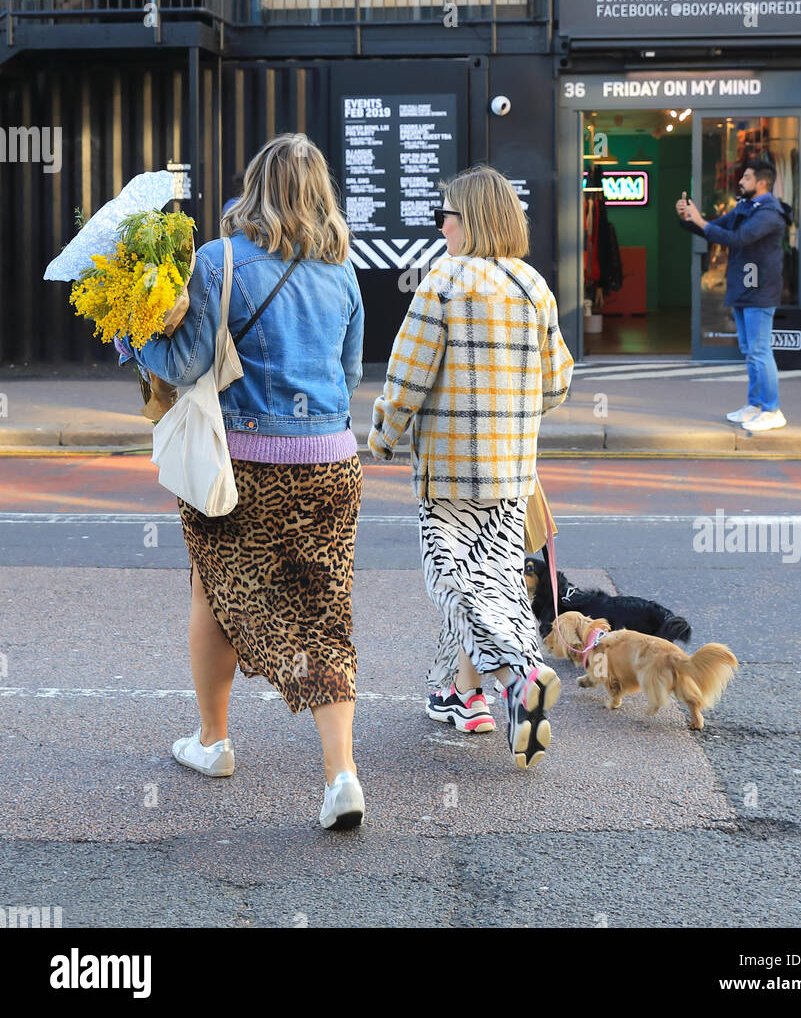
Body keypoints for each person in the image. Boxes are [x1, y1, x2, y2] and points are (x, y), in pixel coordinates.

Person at [117, 133, 366, 829]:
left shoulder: (217, 260)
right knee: (326, 612)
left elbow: (188, 362)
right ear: (321, 194)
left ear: (255, 188)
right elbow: (347, 378)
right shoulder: (342, 270)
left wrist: (133, 332)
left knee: (215, 589)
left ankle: (213, 740)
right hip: (332, 463)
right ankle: (340, 776)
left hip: (245, 465)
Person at [368, 166, 574, 768]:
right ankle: (467, 697)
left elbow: (407, 375)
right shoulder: (533, 284)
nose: (441, 227)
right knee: (497, 582)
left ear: (471, 221)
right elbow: (557, 381)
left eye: (445, 216)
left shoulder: (445, 281)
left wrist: (384, 434)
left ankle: (515, 677)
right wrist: (509, 405)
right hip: (512, 471)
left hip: (451, 470)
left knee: (452, 580)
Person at [677, 159, 792, 432]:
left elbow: (739, 238)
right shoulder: (746, 207)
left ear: (761, 182)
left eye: (747, 177)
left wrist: (702, 221)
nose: (741, 181)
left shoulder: (769, 213)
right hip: (743, 287)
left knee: (760, 351)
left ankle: (772, 409)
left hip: (760, 290)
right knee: (750, 351)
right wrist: (689, 218)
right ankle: (755, 404)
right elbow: (716, 228)